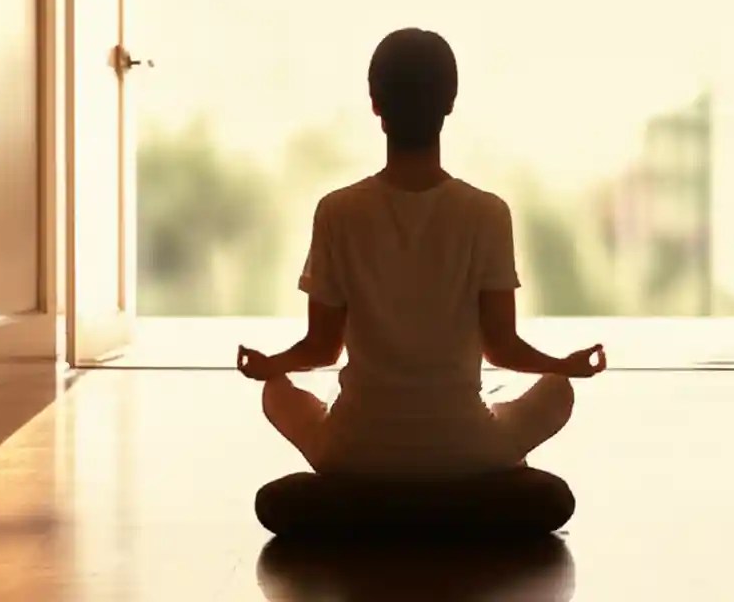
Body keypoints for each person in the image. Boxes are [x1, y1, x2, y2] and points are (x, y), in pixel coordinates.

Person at [237, 28, 606, 479]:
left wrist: (268, 366)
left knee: (276, 392)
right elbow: (500, 346)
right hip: (469, 447)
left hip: (353, 448)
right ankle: (486, 462)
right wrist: (562, 365)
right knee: (558, 392)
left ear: (375, 104)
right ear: (449, 103)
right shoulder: (487, 213)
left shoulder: (337, 211)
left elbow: (323, 347)